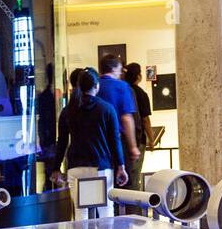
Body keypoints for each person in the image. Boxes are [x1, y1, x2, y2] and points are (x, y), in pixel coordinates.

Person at [56, 67, 127, 207]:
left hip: (76, 166)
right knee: (105, 211)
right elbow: (114, 140)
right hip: (101, 165)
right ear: (97, 86)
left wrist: (56, 167)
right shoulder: (107, 109)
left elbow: (62, 142)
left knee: (80, 212)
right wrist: (121, 165)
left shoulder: (68, 111)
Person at [98, 56, 141, 185]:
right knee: (123, 183)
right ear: (114, 68)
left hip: (98, 143)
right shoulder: (121, 86)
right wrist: (133, 146)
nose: (121, 73)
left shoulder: (96, 86)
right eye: (120, 69)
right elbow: (126, 118)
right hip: (118, 142)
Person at [123, 62, 155, 189]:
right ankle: (134, 200)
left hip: (121, 139)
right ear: (138, 76)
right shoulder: (141, 94)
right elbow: (145, 119)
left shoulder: (123, 91)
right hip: (137, 139)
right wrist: (151, 139)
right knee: (134, 176)